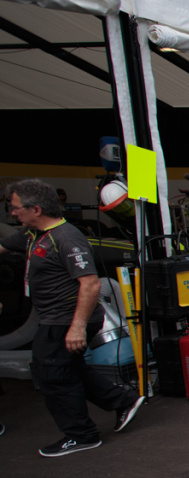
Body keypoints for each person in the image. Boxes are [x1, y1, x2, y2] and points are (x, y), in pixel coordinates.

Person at [2, 179, 144, 457]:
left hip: (67, 318)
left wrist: (77, 328)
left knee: (51, 375)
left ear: (36, 209)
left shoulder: (66, 238)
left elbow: (90, 284)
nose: (12, 213)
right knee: (70, 368)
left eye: (16, 208)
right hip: (55, 318)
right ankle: (123, 400)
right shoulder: (31, 234)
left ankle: (82, 435)